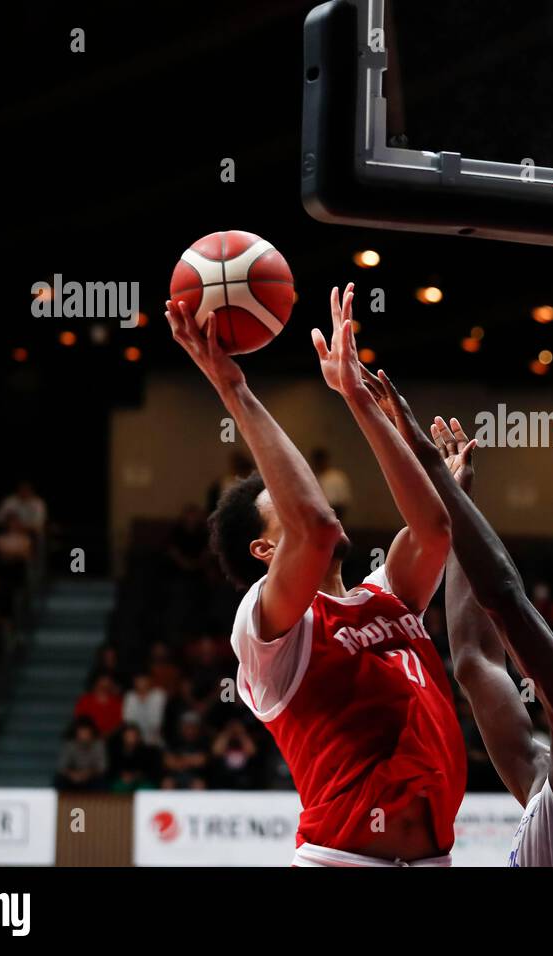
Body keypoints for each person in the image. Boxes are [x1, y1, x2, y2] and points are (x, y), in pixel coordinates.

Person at [167, 285, 464, 867]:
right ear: (262, 548)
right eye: (281, 499)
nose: (310, 498)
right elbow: (317, 528)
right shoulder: (268, 629)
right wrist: (233, 387)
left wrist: (358, 399)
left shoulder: (386, 598)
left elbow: (436, 529)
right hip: (339, 859)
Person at [383, 387, 553, 866]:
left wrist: (432, 470)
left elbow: (507, 601)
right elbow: (475, 659)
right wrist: (453, 504)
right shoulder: (542, 778)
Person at [54, 717, 107, 791]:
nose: (84, 736)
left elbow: (102, 767)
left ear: (91, 733)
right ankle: (63, 802)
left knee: (101, 782)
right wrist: (72, 775)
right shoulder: (70, 745)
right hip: (73, 778)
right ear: (76, 733)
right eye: (81, 733)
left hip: (91, 778)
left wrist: (88, 774)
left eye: (86, 733)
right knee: (59, 780)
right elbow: (61, 766)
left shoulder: (98, 744)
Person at [309, 447, 352, 521]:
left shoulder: (337, 477)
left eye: (321, 461)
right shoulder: (311, 478)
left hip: (335, 512)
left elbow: (343, 501)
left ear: (326, 460)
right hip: (315, 515)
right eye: (317, 461)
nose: (319, 464)